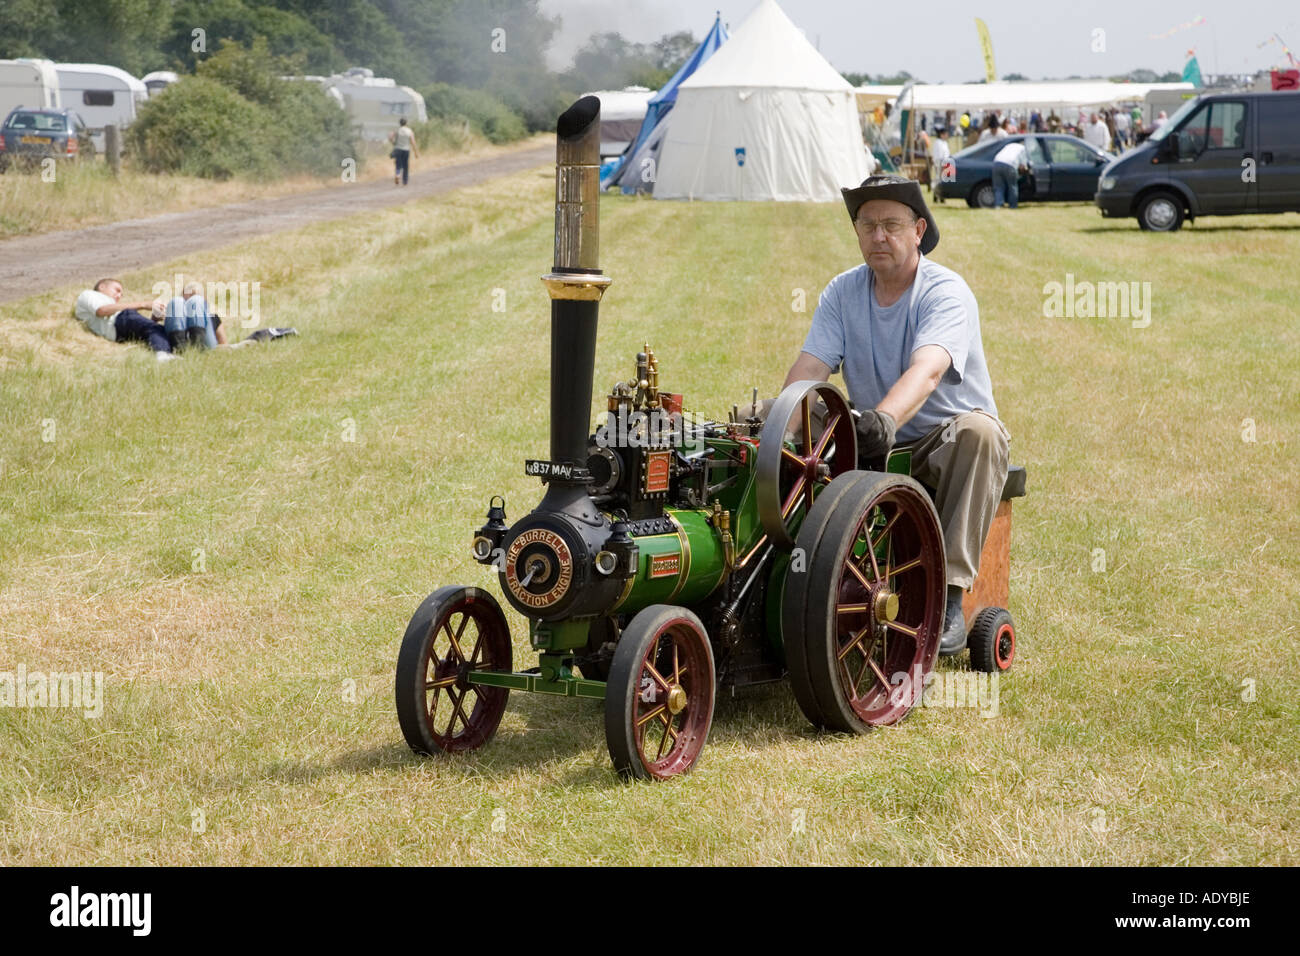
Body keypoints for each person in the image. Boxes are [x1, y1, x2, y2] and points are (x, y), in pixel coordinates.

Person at [786, 175, 1009, 656]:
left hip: (937, 438)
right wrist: (778, 422)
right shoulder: (842, 292)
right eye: (867, 226)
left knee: (981, 433)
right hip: (872, 430)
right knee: (764, 418)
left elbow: (927, 370)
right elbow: (810, 370)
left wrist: (885, 419)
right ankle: (776, 564)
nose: (878, 236)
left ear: (918, 231)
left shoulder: (946, 291)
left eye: (891, 224)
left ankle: (947, 597)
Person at [73, 278, 177, 360]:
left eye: (121, 294)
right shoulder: (89, 294)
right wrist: (144, 304)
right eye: (117, 290)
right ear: (102, 286)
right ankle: (162, 354)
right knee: (153, 327)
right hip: (118, 321)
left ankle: (169, 352)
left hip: (119, 332)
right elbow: (101, 311)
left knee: (158, 329)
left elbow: (146, 330)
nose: (119, 296)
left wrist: (153, 319)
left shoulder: (111, 303)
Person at [163, 281, 226, 351]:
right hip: (176, 338)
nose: (191, 299)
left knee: (195, 301)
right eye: (189, 294)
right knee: (176, 301)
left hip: (206, 345)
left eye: (195, 294)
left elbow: (224, 344)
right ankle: (178, 348)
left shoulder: (213, 317)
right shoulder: (176, 312)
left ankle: (198, 346)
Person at [991, 138, 1030, 209]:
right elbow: (1023, 166)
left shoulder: (1008, 145)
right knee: (1012, 186)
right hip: (1010, 165)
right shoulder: (1022, 148)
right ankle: (1013, 205)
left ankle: (998, 205)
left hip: (997, 163)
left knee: (999, 187)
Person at [389, 116, 419, 186]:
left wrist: (393, 143)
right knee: (405, 166)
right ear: (406, 123)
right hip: (406, 150)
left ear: (400, 123)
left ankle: (397, 174)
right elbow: (413, 142)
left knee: (398, 164)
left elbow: (390, 137)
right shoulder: (409, 131)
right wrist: (416, 152)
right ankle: (405, 181)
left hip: (398, 149)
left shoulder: (398, 130)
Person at [929, 126, 951, 195]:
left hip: (946, 163)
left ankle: (942, 194)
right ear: (941, 135)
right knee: (938, 179)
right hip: (940, 163)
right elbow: (938, 155)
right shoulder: (938, 142)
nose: (947, 136)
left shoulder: (945, 143)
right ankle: (936, 194)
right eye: (945, 134)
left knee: (943, 180)